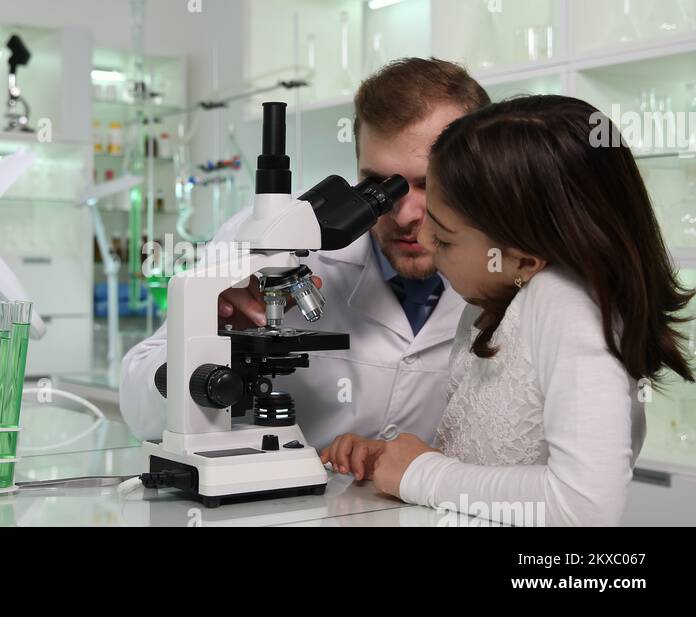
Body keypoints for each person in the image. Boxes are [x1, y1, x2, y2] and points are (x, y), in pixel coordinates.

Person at [321, 95, 695, 526]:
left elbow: (585, 507)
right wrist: (395, 461)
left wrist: (419, 473)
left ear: (524, 259)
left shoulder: (565, 306)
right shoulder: (492, 306)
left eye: (444, 237)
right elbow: (489, 470)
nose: (422, 241)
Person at [119, 58, 490, 448]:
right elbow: (139, 412)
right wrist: (210, 336)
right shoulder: (270, 234)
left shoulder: (510, 264)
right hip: (288, 502)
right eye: (379, 184)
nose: (404, 213)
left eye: (429, 183)